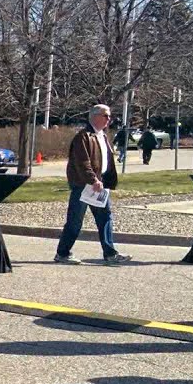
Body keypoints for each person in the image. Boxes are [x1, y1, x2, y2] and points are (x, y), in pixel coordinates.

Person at [54, 104, 131, 265]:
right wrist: (92, 180)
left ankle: (110, 253)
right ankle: (63, 253)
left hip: (99, 185)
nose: (109, 119)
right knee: (75, 220)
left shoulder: (102, 136)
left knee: (105, 218)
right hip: (84, 185)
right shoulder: (83, 137)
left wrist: (104, 181)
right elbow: (82, 162)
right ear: (95, 116)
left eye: (109, 116)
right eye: (106, 116)